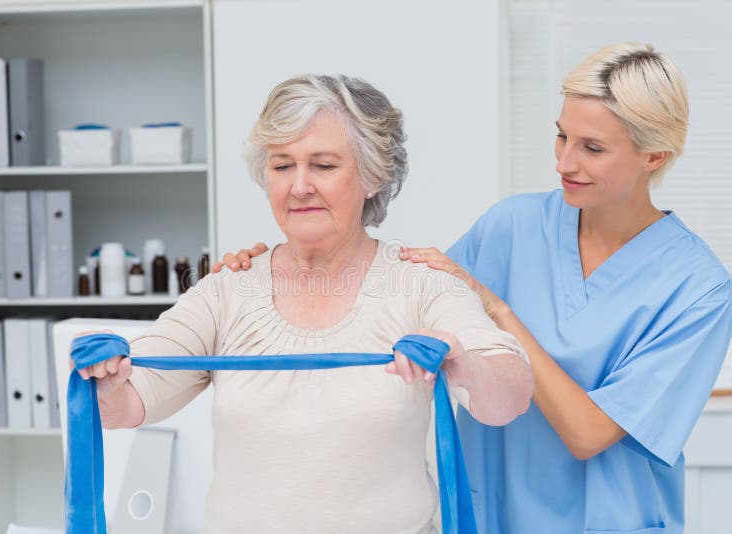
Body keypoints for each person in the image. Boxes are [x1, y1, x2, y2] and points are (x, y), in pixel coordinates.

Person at [216, 43, 732, 533]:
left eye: (592, 148)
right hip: (488, 516)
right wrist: (282, 270)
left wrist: (498, 310)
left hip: (607, 521)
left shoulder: (697, 289)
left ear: (654, 156)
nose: (564, 163)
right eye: (561, 137)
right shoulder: (511, 225)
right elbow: (391, 306)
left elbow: (589, 433)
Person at [73, 74, 533, 534]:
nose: (300, 186)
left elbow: (507, 399)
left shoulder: (421, 284)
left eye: (324, 165)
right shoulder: (227, 289)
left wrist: (461, 359)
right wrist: (109, 381)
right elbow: (127, 404)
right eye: (282, 165)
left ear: (372, 175)